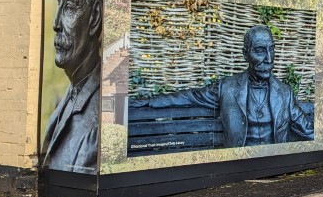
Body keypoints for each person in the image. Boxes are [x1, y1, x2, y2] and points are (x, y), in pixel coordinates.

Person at [134, 24, 313, 147]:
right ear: (245, 54)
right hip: (237, 168)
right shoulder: (227, 88)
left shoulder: (285, 93)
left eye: (271, 50)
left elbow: (307, 130)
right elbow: (189, 96)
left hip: (273, 167)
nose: (269, 59)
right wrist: (150, 101)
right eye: (260, 51)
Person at [42, 0, 103, 173]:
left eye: (68, 8)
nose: (56, 23)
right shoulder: (69, 96)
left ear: (94, 18)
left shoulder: (97, 128)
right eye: (59, 5)